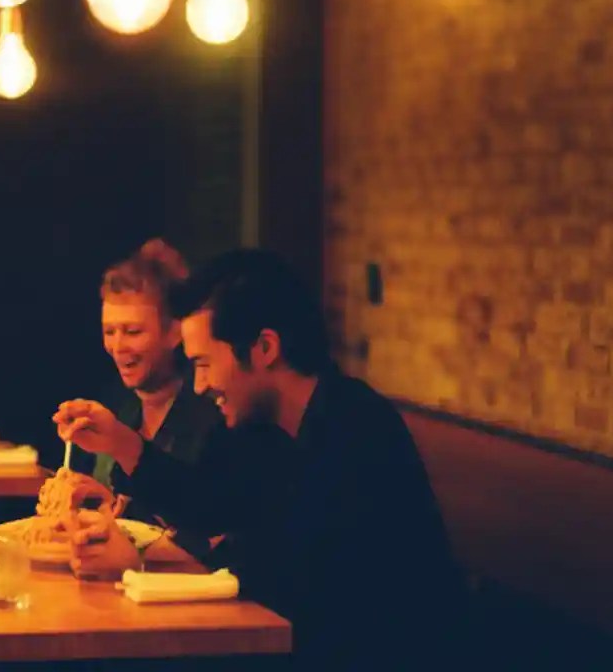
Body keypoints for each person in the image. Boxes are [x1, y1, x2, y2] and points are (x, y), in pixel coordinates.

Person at [55, 249, 466, 670]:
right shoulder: (260, 428)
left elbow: (287, 578)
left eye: (203, 364)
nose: (198, 386)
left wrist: (140, 564)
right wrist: (122, 443)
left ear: (265, 348)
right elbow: (210, 504)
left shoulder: (356, 428)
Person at [57, 239, 231, 576]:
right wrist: (101, 502)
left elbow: (208, 525)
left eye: (133, 331)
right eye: (110, 331)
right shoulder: (116, 405)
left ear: (174, 333)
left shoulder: (214, 414)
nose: (118, 346)